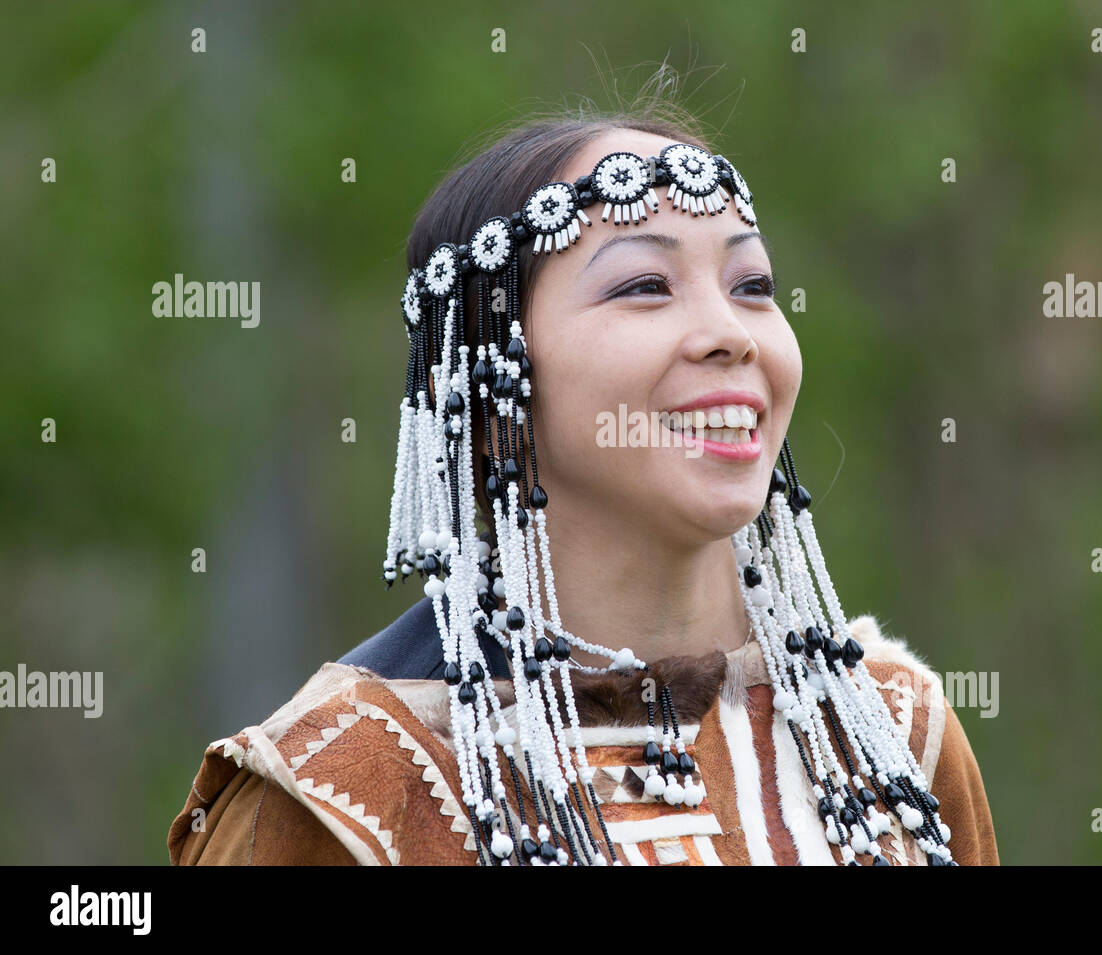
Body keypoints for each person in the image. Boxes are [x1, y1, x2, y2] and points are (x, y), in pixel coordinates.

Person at [168, 100, 999, 867]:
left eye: (752, 286)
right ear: (490, 391)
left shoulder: (889, 735)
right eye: (645, 286)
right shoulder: (342, 788)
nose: (729, 334)